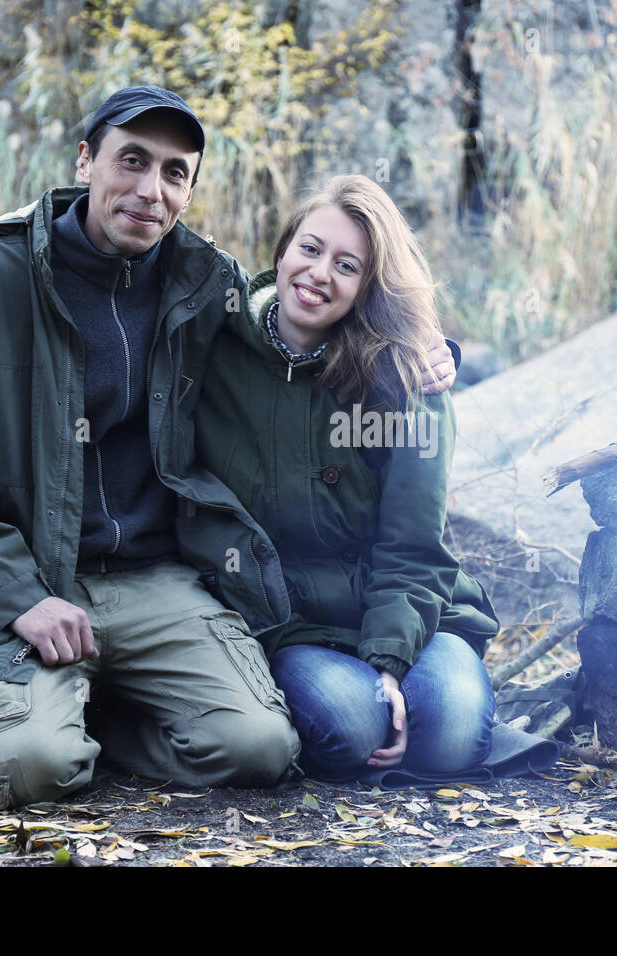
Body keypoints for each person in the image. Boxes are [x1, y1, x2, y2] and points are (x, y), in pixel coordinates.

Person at [0, 86, 460, 808]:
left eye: (174, 172)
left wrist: (422, 348)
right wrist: (20, 597)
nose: (150, 190)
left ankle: (102, 717)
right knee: (28, 768)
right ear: (86, 161)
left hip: (152, 578)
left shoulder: (200, 281)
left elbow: (293, 325)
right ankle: (43, 728)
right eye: (132, 161)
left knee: (261, 747)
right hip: (26, 573)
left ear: (188, 191)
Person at [189, 175, 501, 780]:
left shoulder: (407, 379)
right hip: (297, 622)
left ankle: (416, 688)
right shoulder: (214, 348)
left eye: (347, 265)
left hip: (414, 612)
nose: (319, 274)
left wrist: (389, 659)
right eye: (309, 249)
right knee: (355, 730)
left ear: (368, 286)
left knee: (452, 735)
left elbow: (414, 546)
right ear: (281, 253)